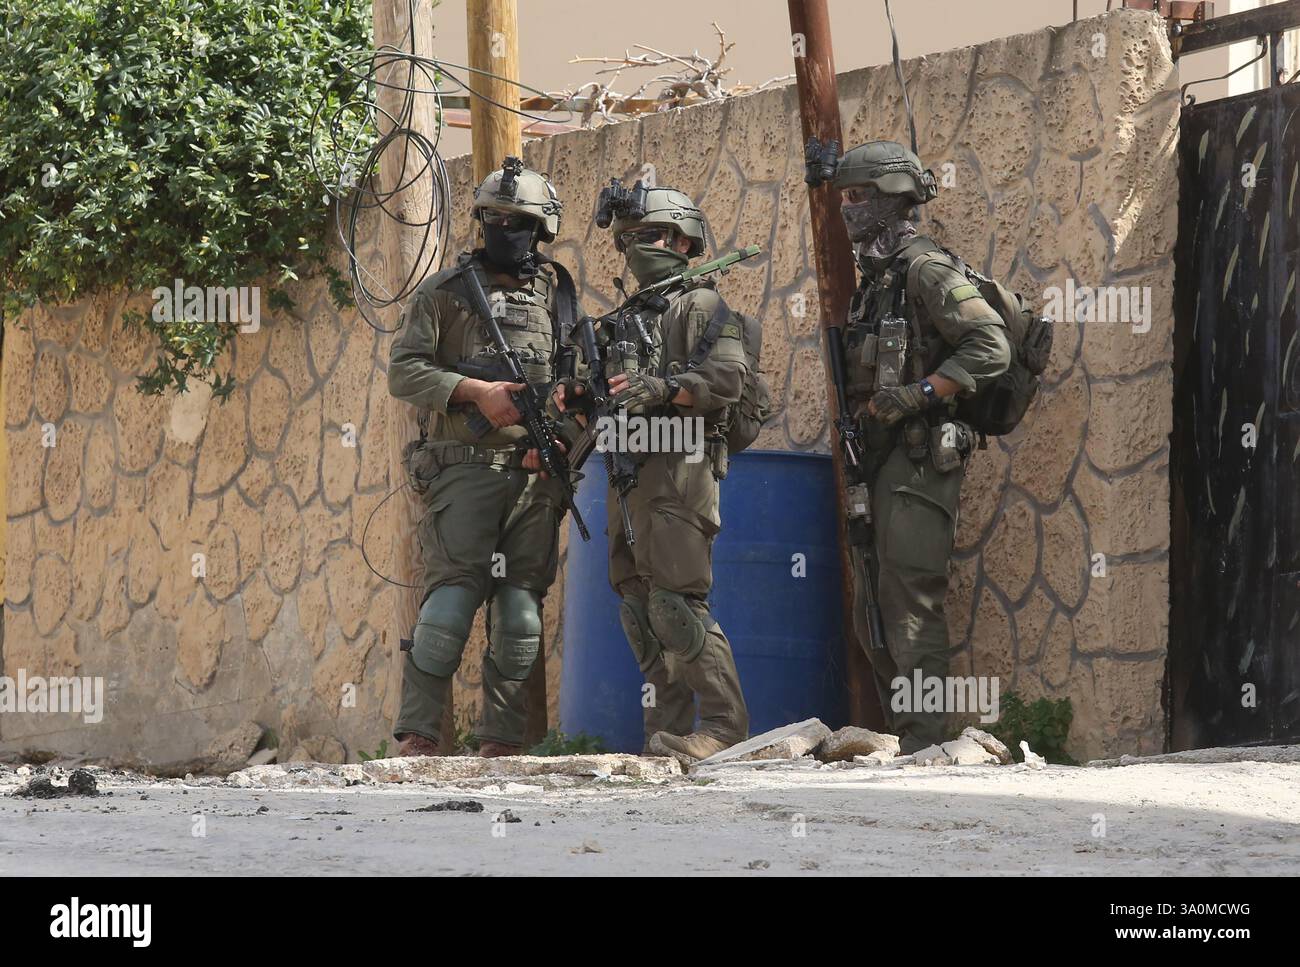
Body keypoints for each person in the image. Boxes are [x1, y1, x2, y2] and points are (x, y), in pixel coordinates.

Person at [387, 159, 574, 758]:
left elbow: (580, 381)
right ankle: (419, 734)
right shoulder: (445, 295)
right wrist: (475, 393)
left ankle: (501, 741)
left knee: (520, 610)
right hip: (463, 465)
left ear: (542, 228)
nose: (504, 228)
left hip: (533, 474)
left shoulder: (559, 298)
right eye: (493, 218)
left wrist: (563, 440)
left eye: (518, 220)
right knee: (450, 600)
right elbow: (405, 372)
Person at [558, 185, 750, 764]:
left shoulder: (702, 307)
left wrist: (665, 388)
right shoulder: (624, 319)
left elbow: (727, 380)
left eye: (646, 235)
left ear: (682, 241)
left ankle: (722, 727)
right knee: (639, 607)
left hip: (678, 466)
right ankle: (664, 735)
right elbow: (604, 395)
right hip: (625, 467)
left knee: (676, 602)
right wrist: (578, 399)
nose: (634, 248)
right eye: (626, 240)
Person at [834, 141, 1011, 753]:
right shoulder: (876, 280)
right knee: (872, 614)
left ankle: (925, 741)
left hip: (919, 458)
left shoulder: (925, 270)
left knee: (909, 606)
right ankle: (905, 733)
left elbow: (990, 347)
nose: (849, 209)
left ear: (891, 201)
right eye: (845, 198)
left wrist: (920, 394)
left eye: (859, 197)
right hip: (881, 457)